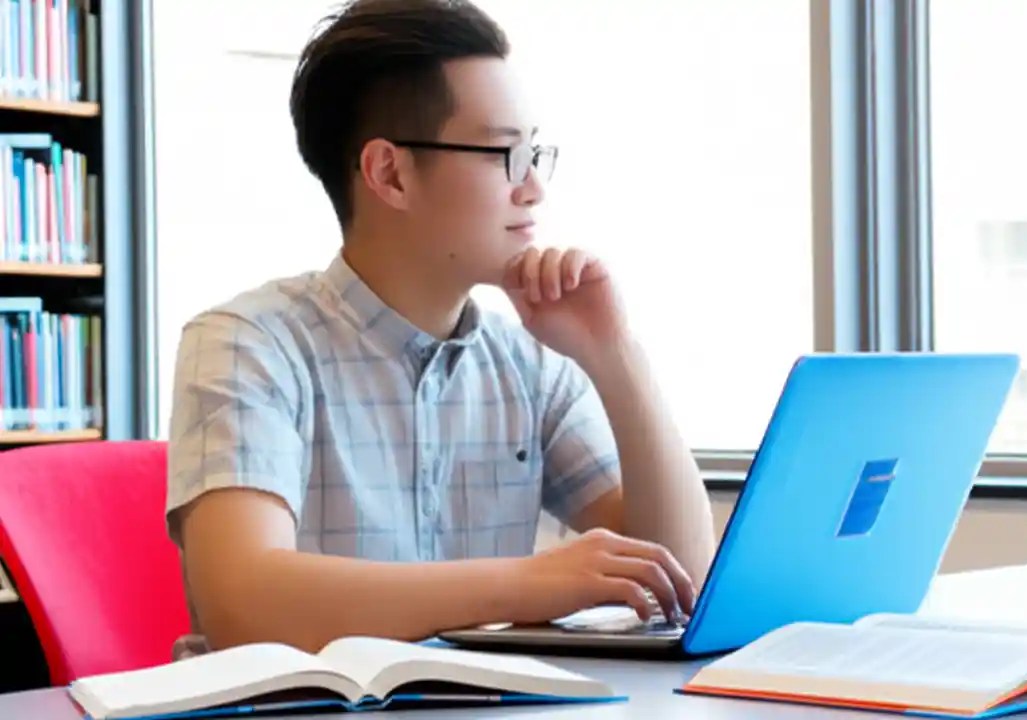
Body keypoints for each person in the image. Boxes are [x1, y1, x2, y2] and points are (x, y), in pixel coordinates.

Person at [164, 0, 716, 658]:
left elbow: (682, 582)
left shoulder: (531, 364)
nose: (534, 187)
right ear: (390, 174)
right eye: (504, 154)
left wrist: (616, 355)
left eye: (534, 153)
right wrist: (531, 583)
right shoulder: (246, 344)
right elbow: (246, 605)